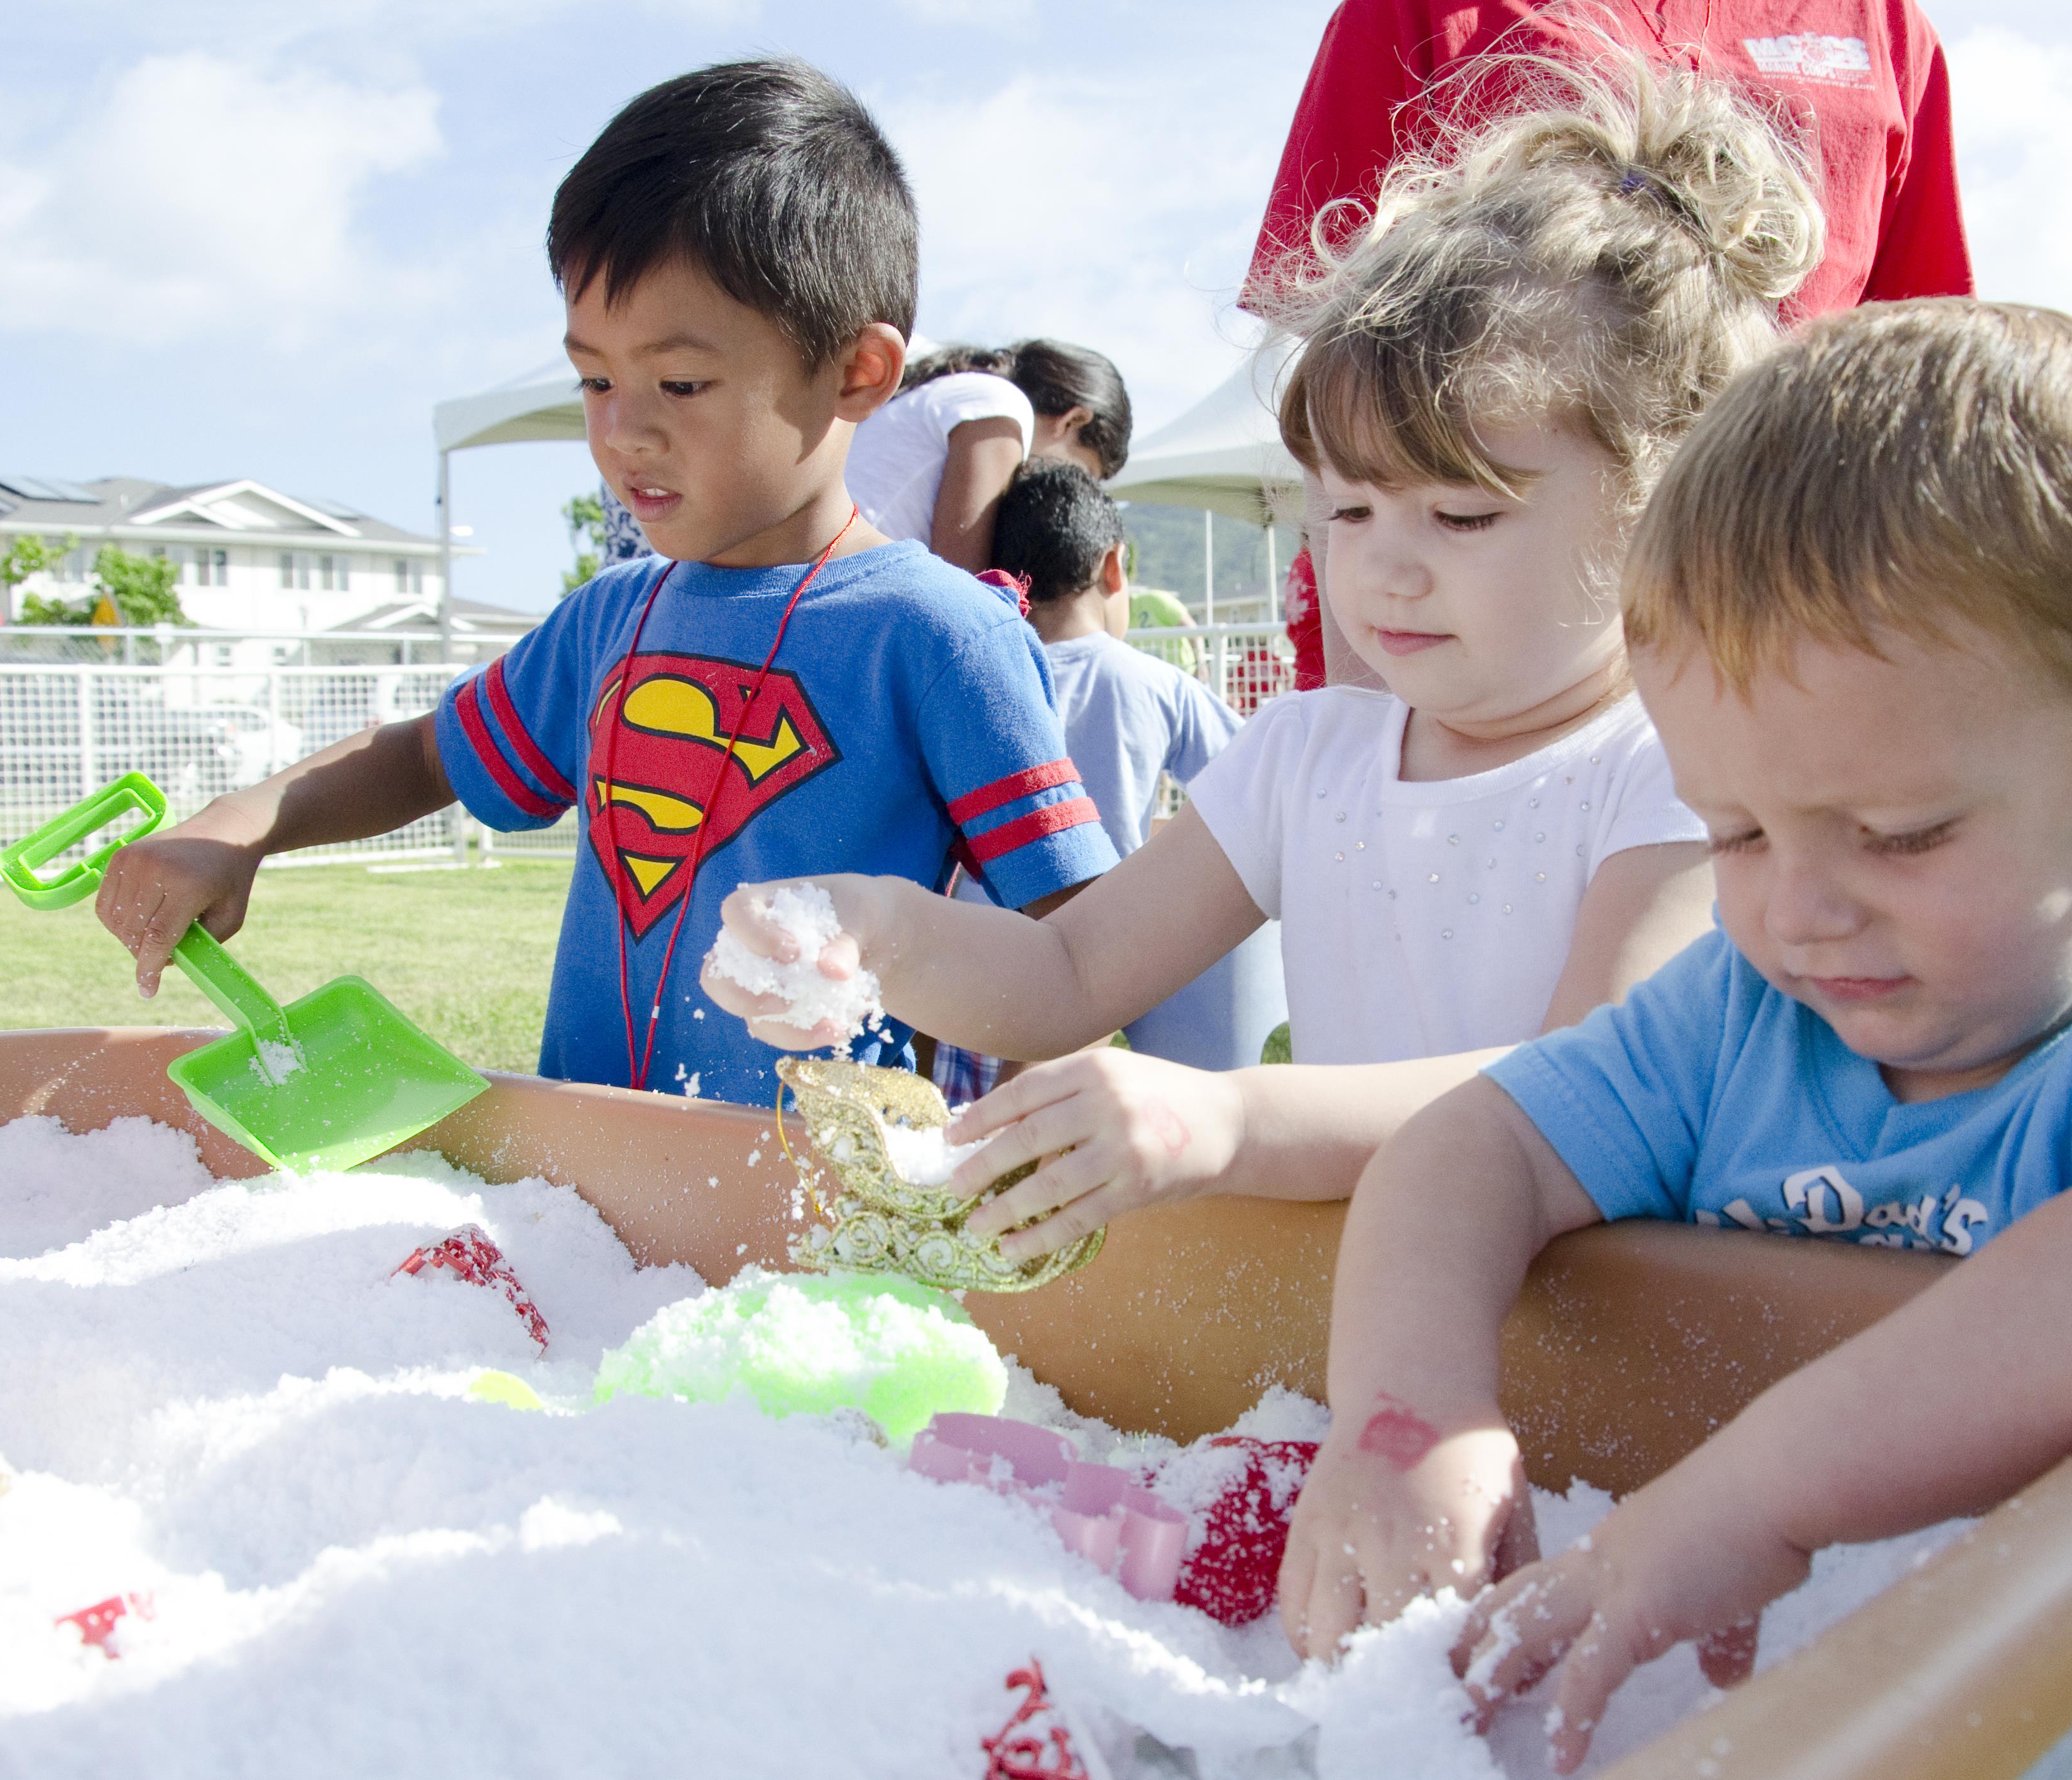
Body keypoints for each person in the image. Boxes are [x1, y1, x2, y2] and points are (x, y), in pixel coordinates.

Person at [1271, 301, 2072, 1780]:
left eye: (1896, 834)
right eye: (1731, 830)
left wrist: (1765, 1489)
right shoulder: (1735, 1018)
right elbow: (1465, 1148)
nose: (1798, 910)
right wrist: (1412, 1409)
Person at [702, 59, 1806, 1261]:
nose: (1384, 569)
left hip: (1618, 1345)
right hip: (1374, 1317)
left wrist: (1230, 1118)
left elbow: (1583, 1091)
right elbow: (1069, 968)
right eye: (1345, 512)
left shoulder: (1679, 769)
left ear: (1666, 503)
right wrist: (879, 930)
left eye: (1462, 516)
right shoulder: (1306, 755)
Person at [89, 58, 1114, 1109]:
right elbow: (423, 754)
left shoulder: (938, 631)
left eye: (680, 382)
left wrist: (1018, 1158)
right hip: (590, 1189)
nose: (625, 430)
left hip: (822, 1221)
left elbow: (1077, 945)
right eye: (594, 378)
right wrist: (245, 818)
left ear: (856, 369)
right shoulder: (608, 618)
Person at [1249, 0, 1978, 688]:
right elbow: (1341, 362)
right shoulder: (1415, 11)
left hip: (1785, 641)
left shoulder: (1882, 23)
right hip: (1461, 685)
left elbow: (1915, 384)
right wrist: (1362, 738)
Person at [944, 459, 1287, 1089]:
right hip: (1104, 949)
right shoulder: (1154, 683)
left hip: (975, 954)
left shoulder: (976, 682)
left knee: (973, 1132)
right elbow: (1257, 790)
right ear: (1112, 567)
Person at [843, 340, 1135, 574]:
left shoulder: (952, 390)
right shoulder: (1001, 404)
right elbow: (962, 585)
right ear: (1074, 420)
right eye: (1079, 474)